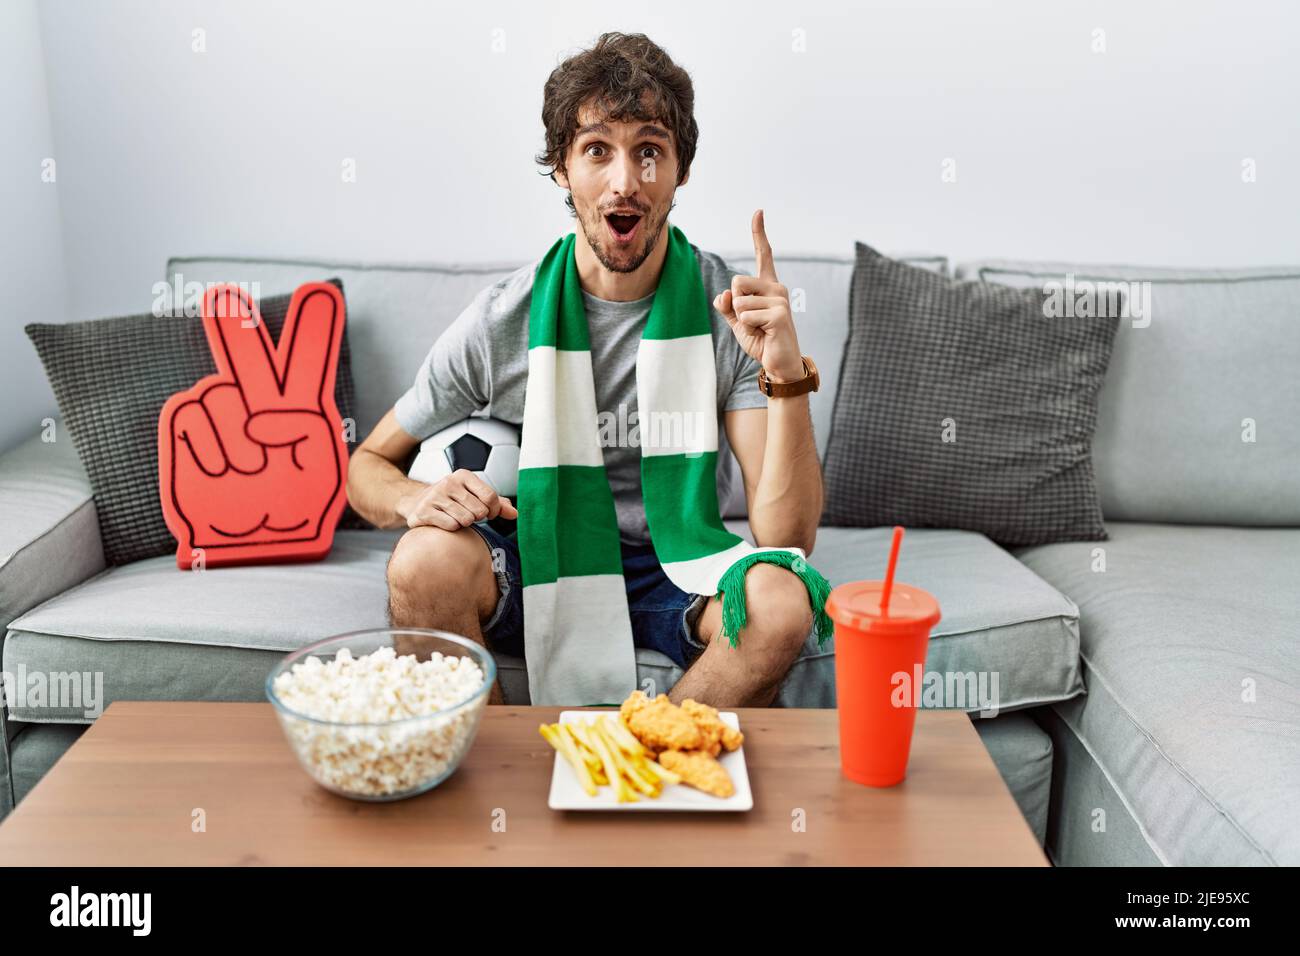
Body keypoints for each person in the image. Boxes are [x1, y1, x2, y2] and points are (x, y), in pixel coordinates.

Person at [346, 32, 824, 707]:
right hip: (540, 553)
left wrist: (785, 375)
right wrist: (411, 500)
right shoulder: (501, 322)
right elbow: (364, 465)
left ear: (680, 171)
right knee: (423, 559)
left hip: (677, 565)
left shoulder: (727, 311)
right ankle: (500, 788)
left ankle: (640, 766)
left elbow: (786, 537)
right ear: (563, 170)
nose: (626, 181)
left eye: (650, 151)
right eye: (598, 150)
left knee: (780, 600)